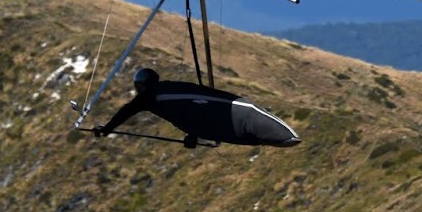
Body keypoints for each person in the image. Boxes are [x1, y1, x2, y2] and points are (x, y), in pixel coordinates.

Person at [95, 68, 301, 148]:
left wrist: (106, 129)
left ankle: (281, 136)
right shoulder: (168, 91)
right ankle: (281, 137)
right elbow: (187, 111)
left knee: (252, 132)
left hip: (231, 116)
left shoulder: (152, 95)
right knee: (252, 138)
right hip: (213, 125)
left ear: (142, 86)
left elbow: (125, 112)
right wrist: (193, 135)